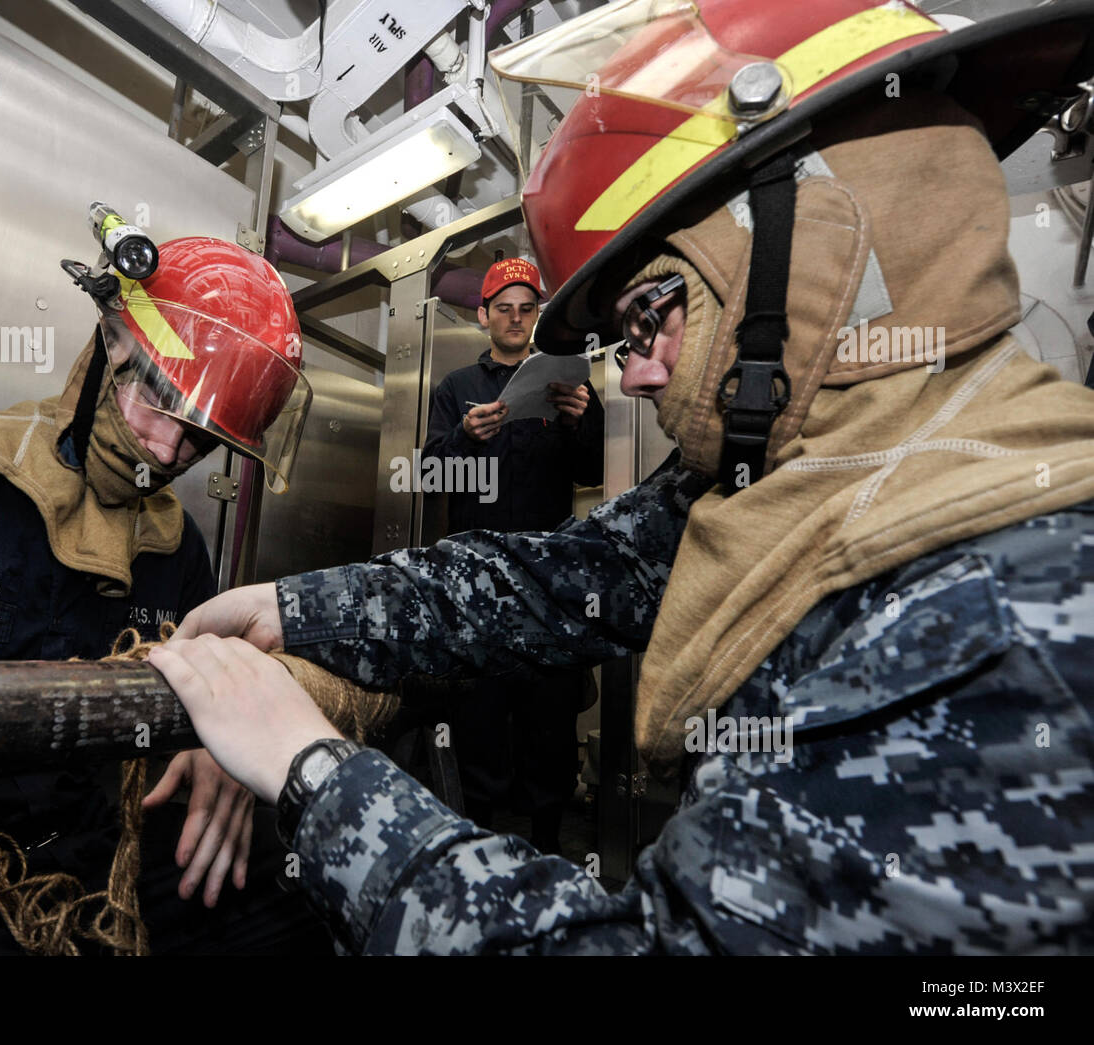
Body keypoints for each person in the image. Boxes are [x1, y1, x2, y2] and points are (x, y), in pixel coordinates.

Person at [149, 0, 1094, 954]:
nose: (636, 370)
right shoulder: (785, 477)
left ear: (813, 260)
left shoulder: (1009, 621)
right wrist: (305, 607)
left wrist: (313, 771)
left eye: (651, 315)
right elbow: (556, 575)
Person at [0, 232, 329, 954]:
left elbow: (226, 672)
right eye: (160, 399)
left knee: (291, 889)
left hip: (83, 869)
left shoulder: (177, 555)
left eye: (203, 438)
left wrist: (223, 741)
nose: (170, 453)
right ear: (107, 342)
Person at [420, 256, 604, 850]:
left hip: (548, 580)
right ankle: (478, 847)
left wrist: (580, 423)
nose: (516, 319)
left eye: (528, 309)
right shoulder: (457, 389)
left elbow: (595, 469)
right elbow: (430, 476)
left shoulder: (566, 383)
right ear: (483, 315)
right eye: (505, 309)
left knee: (549, 718)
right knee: (480, 715)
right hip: (475, 579)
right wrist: (463, 439)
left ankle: (550, 848)